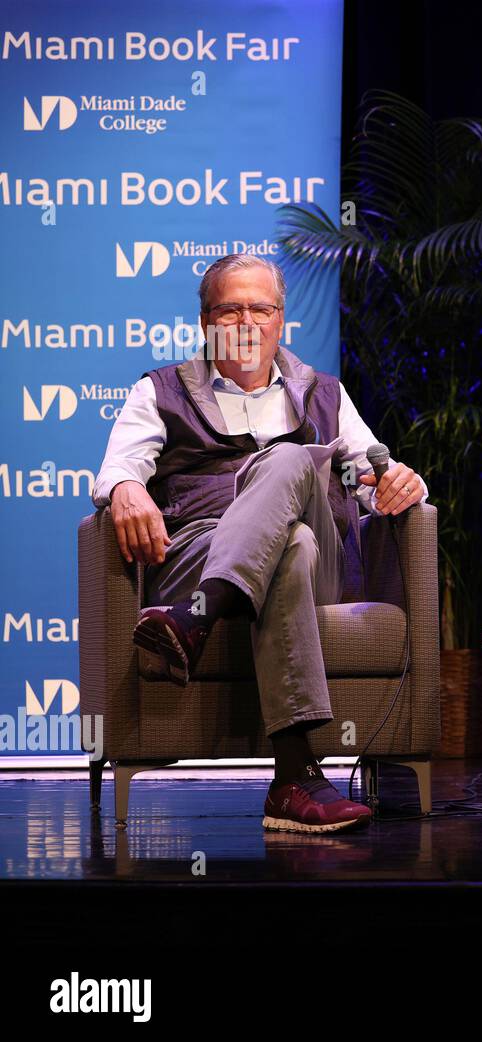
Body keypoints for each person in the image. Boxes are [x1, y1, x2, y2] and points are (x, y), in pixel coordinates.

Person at [91, 253, 428, 833]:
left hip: (321, 569)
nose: (246, 321)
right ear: (205, 321)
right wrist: (125, 488)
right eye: (230, 309)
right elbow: (118, 469)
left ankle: (196, 618)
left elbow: (371, 481)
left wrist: (401, 484)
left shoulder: (324, 394)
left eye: (260, 308)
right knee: (291, 544)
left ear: (280, 320)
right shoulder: (160, 391)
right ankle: (295, 780)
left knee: (291, 460)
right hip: (199, 548)